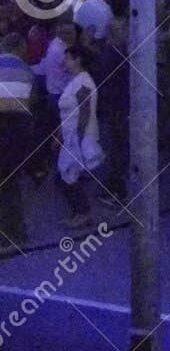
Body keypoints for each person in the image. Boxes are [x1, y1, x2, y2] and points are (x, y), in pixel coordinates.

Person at [56, 46, 103, 229]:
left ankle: (82, 213)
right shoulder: (76, 81)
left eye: (68, 58)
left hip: (77, 138)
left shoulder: (84, 84)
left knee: (68, 175)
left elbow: (85, 114)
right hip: (70, 136)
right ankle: (80, 212)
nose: (64, 62)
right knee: (67, 175)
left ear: (78, 60)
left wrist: (80, 142)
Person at [0, 34, 33, 244]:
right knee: (10, 181)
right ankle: (16, 232)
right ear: (20, 47)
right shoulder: (27, 71)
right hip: (18, 131)